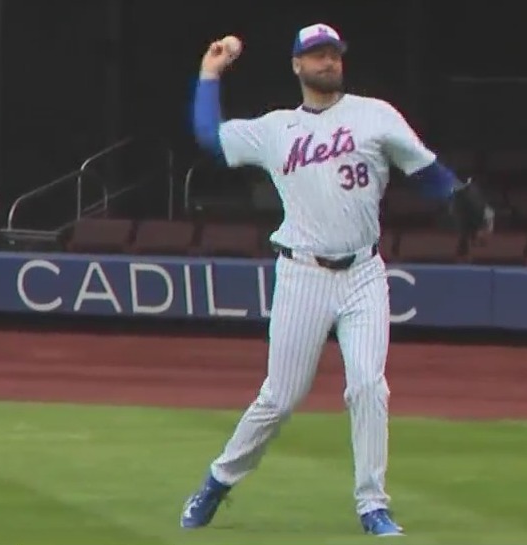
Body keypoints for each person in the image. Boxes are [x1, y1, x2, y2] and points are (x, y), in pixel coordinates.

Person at [181, 22, 490, 536]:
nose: (328, 62)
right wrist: (209, 74)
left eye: (334, 54)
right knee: (279, 398)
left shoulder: (375, 115)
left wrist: (459, 194)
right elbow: (209, 138)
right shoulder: (276, 128)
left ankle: (373, 505)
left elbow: (429, 170)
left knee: (369, 386)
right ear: (298, 65)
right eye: (317, 55)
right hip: (302, 274)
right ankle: (216, 482)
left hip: (364, 273)